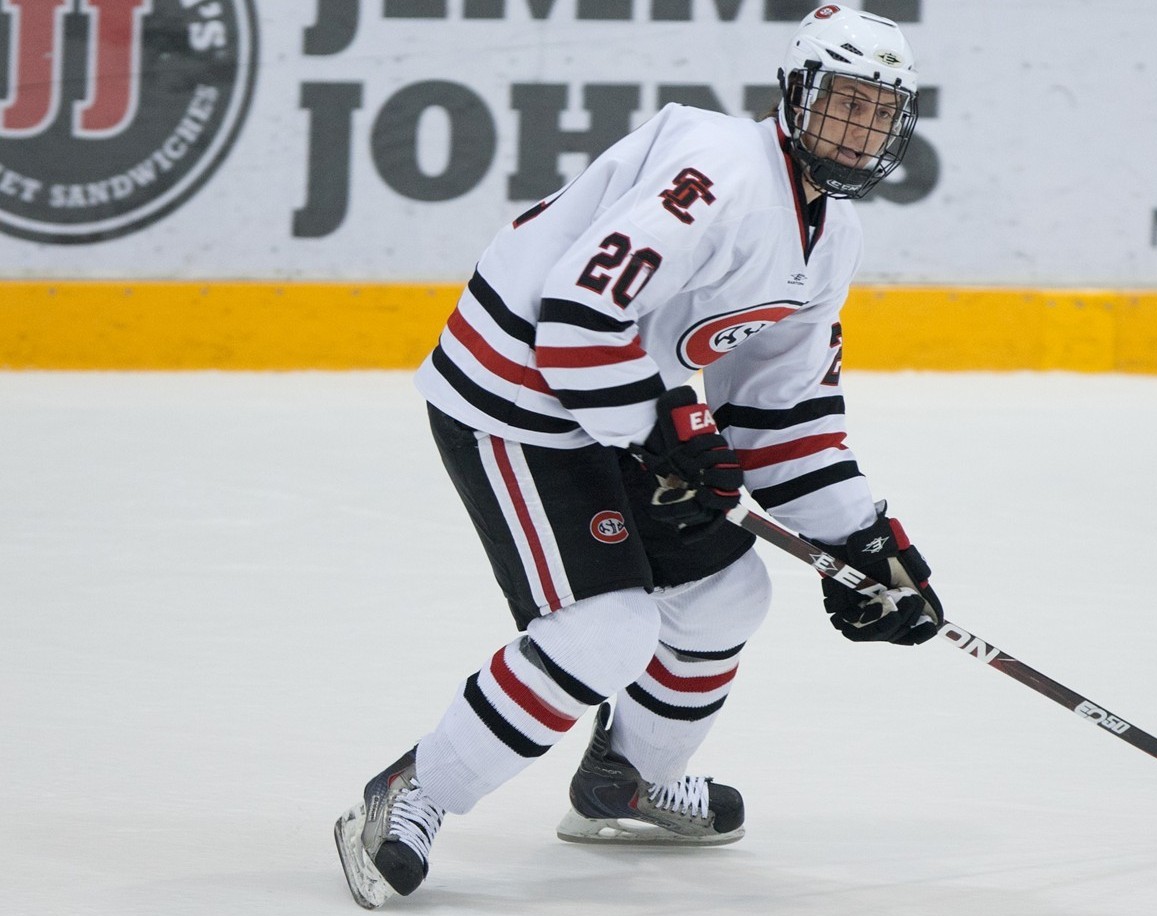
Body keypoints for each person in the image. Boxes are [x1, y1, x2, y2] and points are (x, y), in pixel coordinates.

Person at [333, 5, 944, 909]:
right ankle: (406, 795)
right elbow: (576, 316)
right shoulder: (719, 170)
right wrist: (666, 432)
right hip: (520, 398)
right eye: (842, 103)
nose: (857, 130)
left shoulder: (831, 241)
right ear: (795, 94)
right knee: (605, 630)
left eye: (877, 112)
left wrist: (864, 542)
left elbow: (785, 413)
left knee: (728, 593)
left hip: (620, 406)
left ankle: (624, 783)